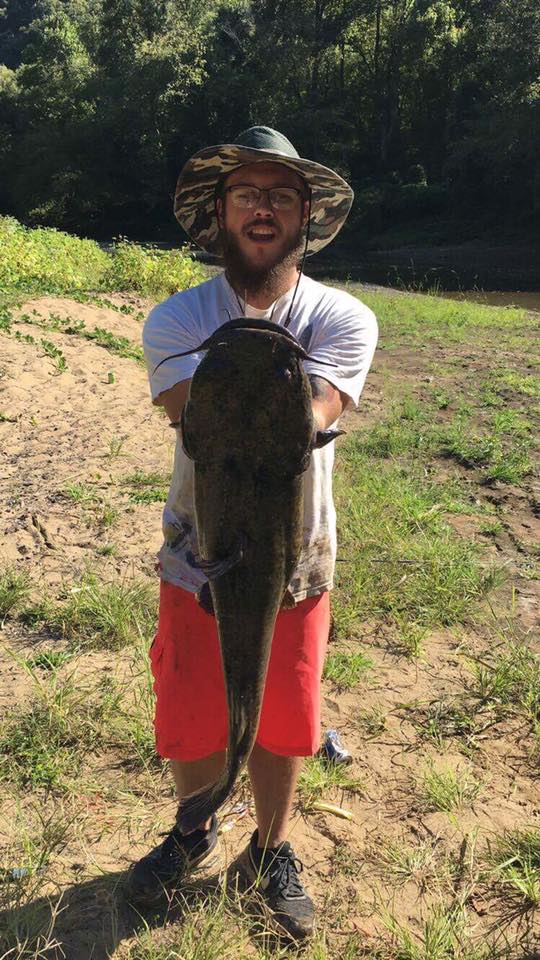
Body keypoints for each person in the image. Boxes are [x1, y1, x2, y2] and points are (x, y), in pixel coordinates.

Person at [128, 126, 378, 941]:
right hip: (194, 551)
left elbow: (318, 415)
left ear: (306, 214)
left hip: (296, 557)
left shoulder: (345, 317)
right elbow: (193, 420)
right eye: (247, 194)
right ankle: (196, 822)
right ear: (220, 212)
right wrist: (279, 400)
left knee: (284, 713)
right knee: (194, 706)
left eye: (279, 194)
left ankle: (272, 846)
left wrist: (287, 406)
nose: (262, 208)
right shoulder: (175, 317)